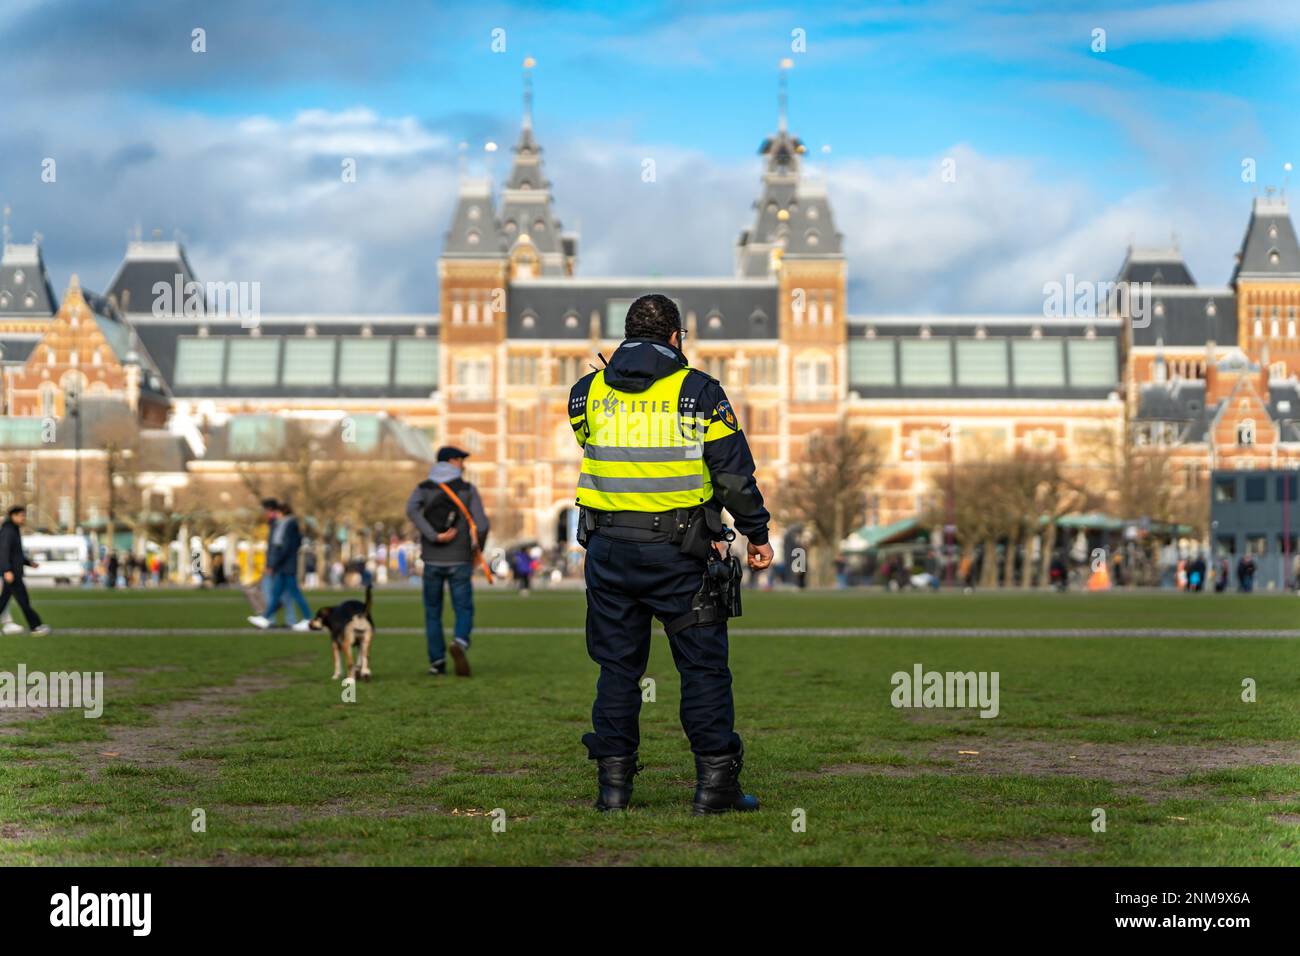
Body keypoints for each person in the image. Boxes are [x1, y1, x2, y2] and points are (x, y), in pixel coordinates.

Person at [568, 293, 773, 814]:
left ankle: (613, 790)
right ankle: (714, 787)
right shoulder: (698, 391)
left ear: (626, 335)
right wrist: (757, 533)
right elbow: (732, 474)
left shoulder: (585, 393)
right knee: (703, 669)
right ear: (677, 338)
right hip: (683, 553)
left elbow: (595, 446)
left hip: (609, 550)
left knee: (616, 669)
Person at [406, 446, 490, 677]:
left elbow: (411, 511)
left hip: (432, 559)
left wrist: (432, 535)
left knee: (432, 611)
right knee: (463, 607)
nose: (463, 465)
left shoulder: (423, 488)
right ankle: (460, 642)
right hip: (460, 558)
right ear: (452, 461)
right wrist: (477, 550)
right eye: (461, 460)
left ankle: (437, 662)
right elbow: (482, 525)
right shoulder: (467, 489)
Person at [248, 500, 312, 630]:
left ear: (283, 512)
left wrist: (273, 564)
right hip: (283, 566)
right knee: (277, 594)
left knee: (295, 593)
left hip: (286, 566)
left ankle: (308, 618)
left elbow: (285, 548)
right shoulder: (282, 525)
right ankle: (265, 618)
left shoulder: (289, 526)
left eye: (277, 512)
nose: (275, 515)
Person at [0, 506, 51, 636]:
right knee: (23, 602)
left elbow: (16, 554)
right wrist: (7, 570)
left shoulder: (13, 529)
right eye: (22, 515)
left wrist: (29, 563)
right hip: (12, 573)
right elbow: (4, 552)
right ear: (13, 516)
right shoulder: (8, 531)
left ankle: (36, 625)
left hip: (14, 572)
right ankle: (35, 626)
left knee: (5, 602)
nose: (24, 518)